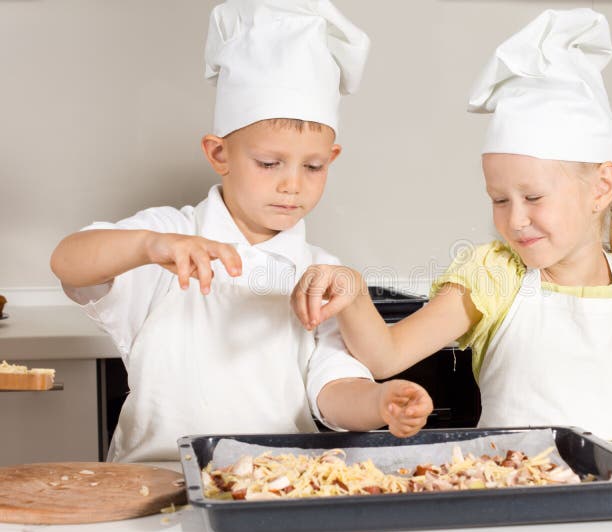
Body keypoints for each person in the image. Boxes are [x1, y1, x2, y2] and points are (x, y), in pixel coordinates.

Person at [291, 8, 612, 443]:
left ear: (601, 187)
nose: (514, 220)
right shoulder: (495, 275)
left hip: (604, 490)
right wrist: (351, 291)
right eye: (499, 200)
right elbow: (385, 357)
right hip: (505, 486)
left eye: (533, 197)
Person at [50, 0, 432, 462]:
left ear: (332, 158)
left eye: (312, 166)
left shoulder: (322, 274)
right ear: (219, 154)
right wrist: (149, 246)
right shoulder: (170, 237)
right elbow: (68, 262)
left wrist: (378, 403)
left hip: (277, 487)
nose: (292, 184)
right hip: (156, 480)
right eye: (269, 163)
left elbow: (332, 390)